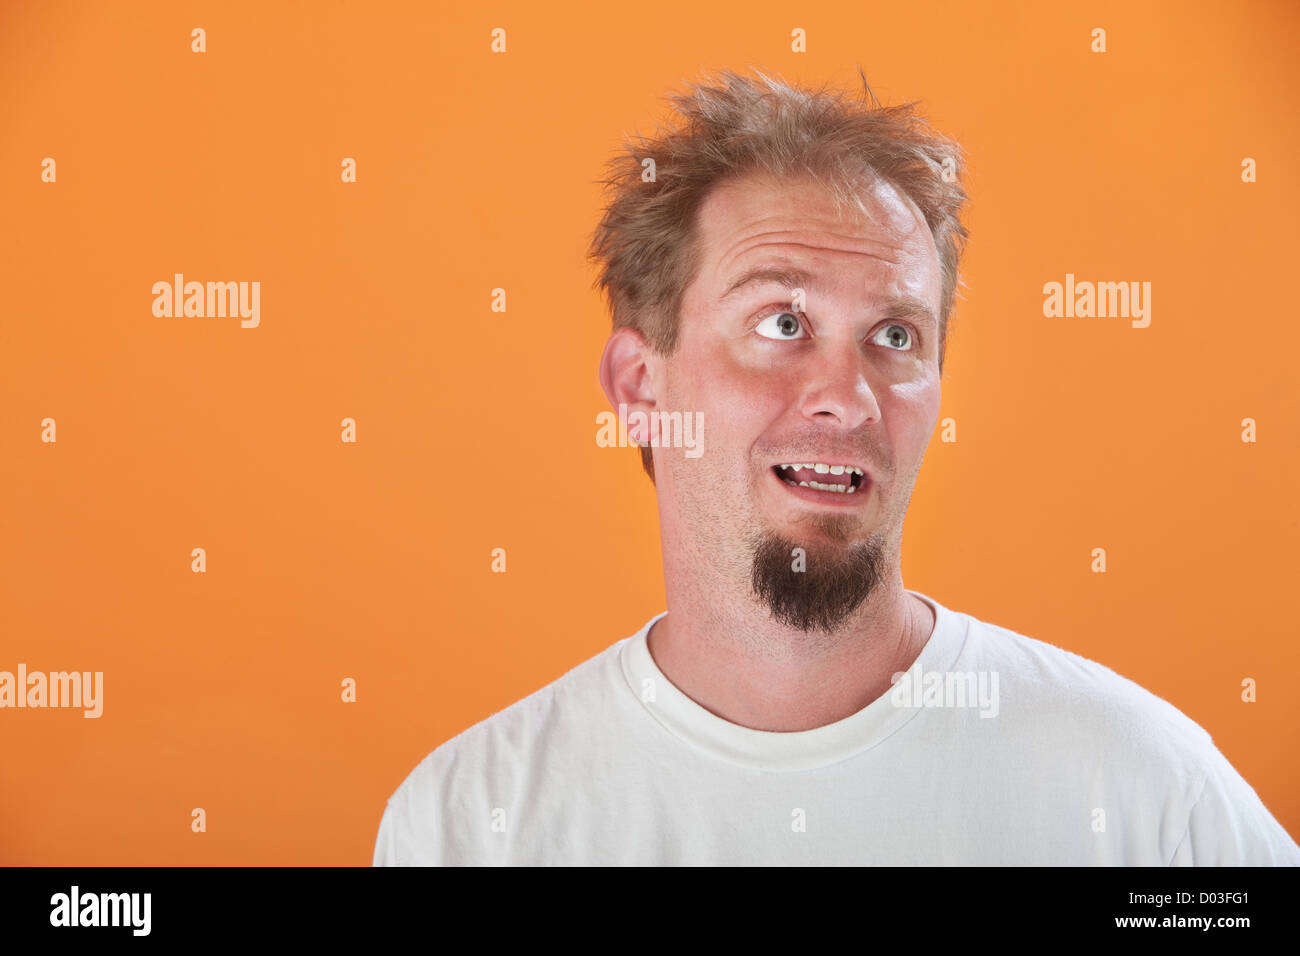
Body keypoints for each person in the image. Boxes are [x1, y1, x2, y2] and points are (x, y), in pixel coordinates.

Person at [373, 68, 1300, 865]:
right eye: (783, 323)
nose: (848, 397)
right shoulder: (470, 827)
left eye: (895, 336)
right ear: (640, 386)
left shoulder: (1144, 793)